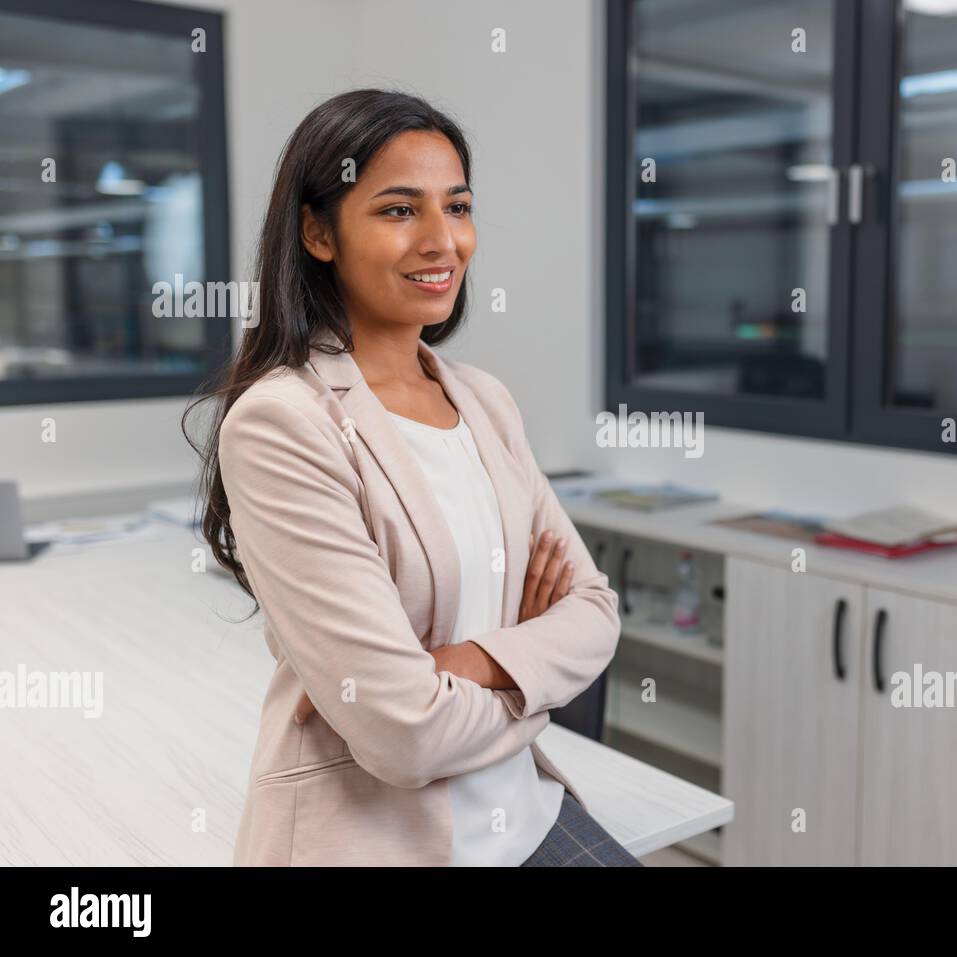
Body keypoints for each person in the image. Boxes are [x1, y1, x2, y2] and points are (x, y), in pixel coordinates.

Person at [184, 89, 640, 866]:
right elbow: (403, 732)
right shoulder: (282, 421)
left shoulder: (485, 400)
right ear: (318, 232)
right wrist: (535, 671)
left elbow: (595, 610)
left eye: (457, 207)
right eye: (399, 211)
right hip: (378, 839)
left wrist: (461, 665)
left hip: (523, 813)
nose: (443, 241)